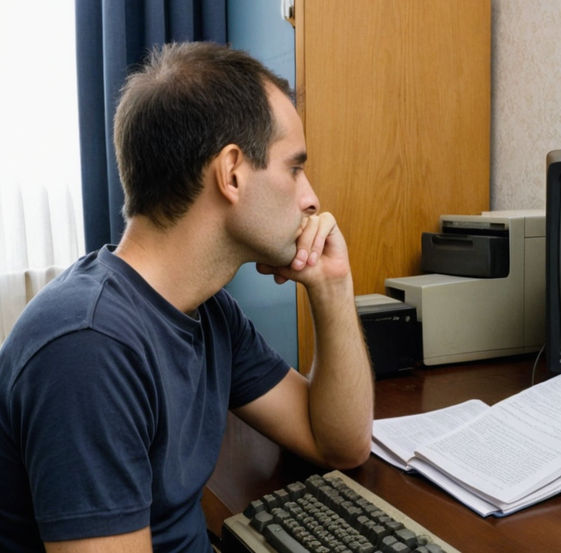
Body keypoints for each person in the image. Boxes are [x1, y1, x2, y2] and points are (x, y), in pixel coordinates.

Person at [0, 42, 374, 552]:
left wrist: (332, 286)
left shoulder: (208, 312)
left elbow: (340, 445)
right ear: (232, 172)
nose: (311, 199)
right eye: (294, 168)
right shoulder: (88, 347)